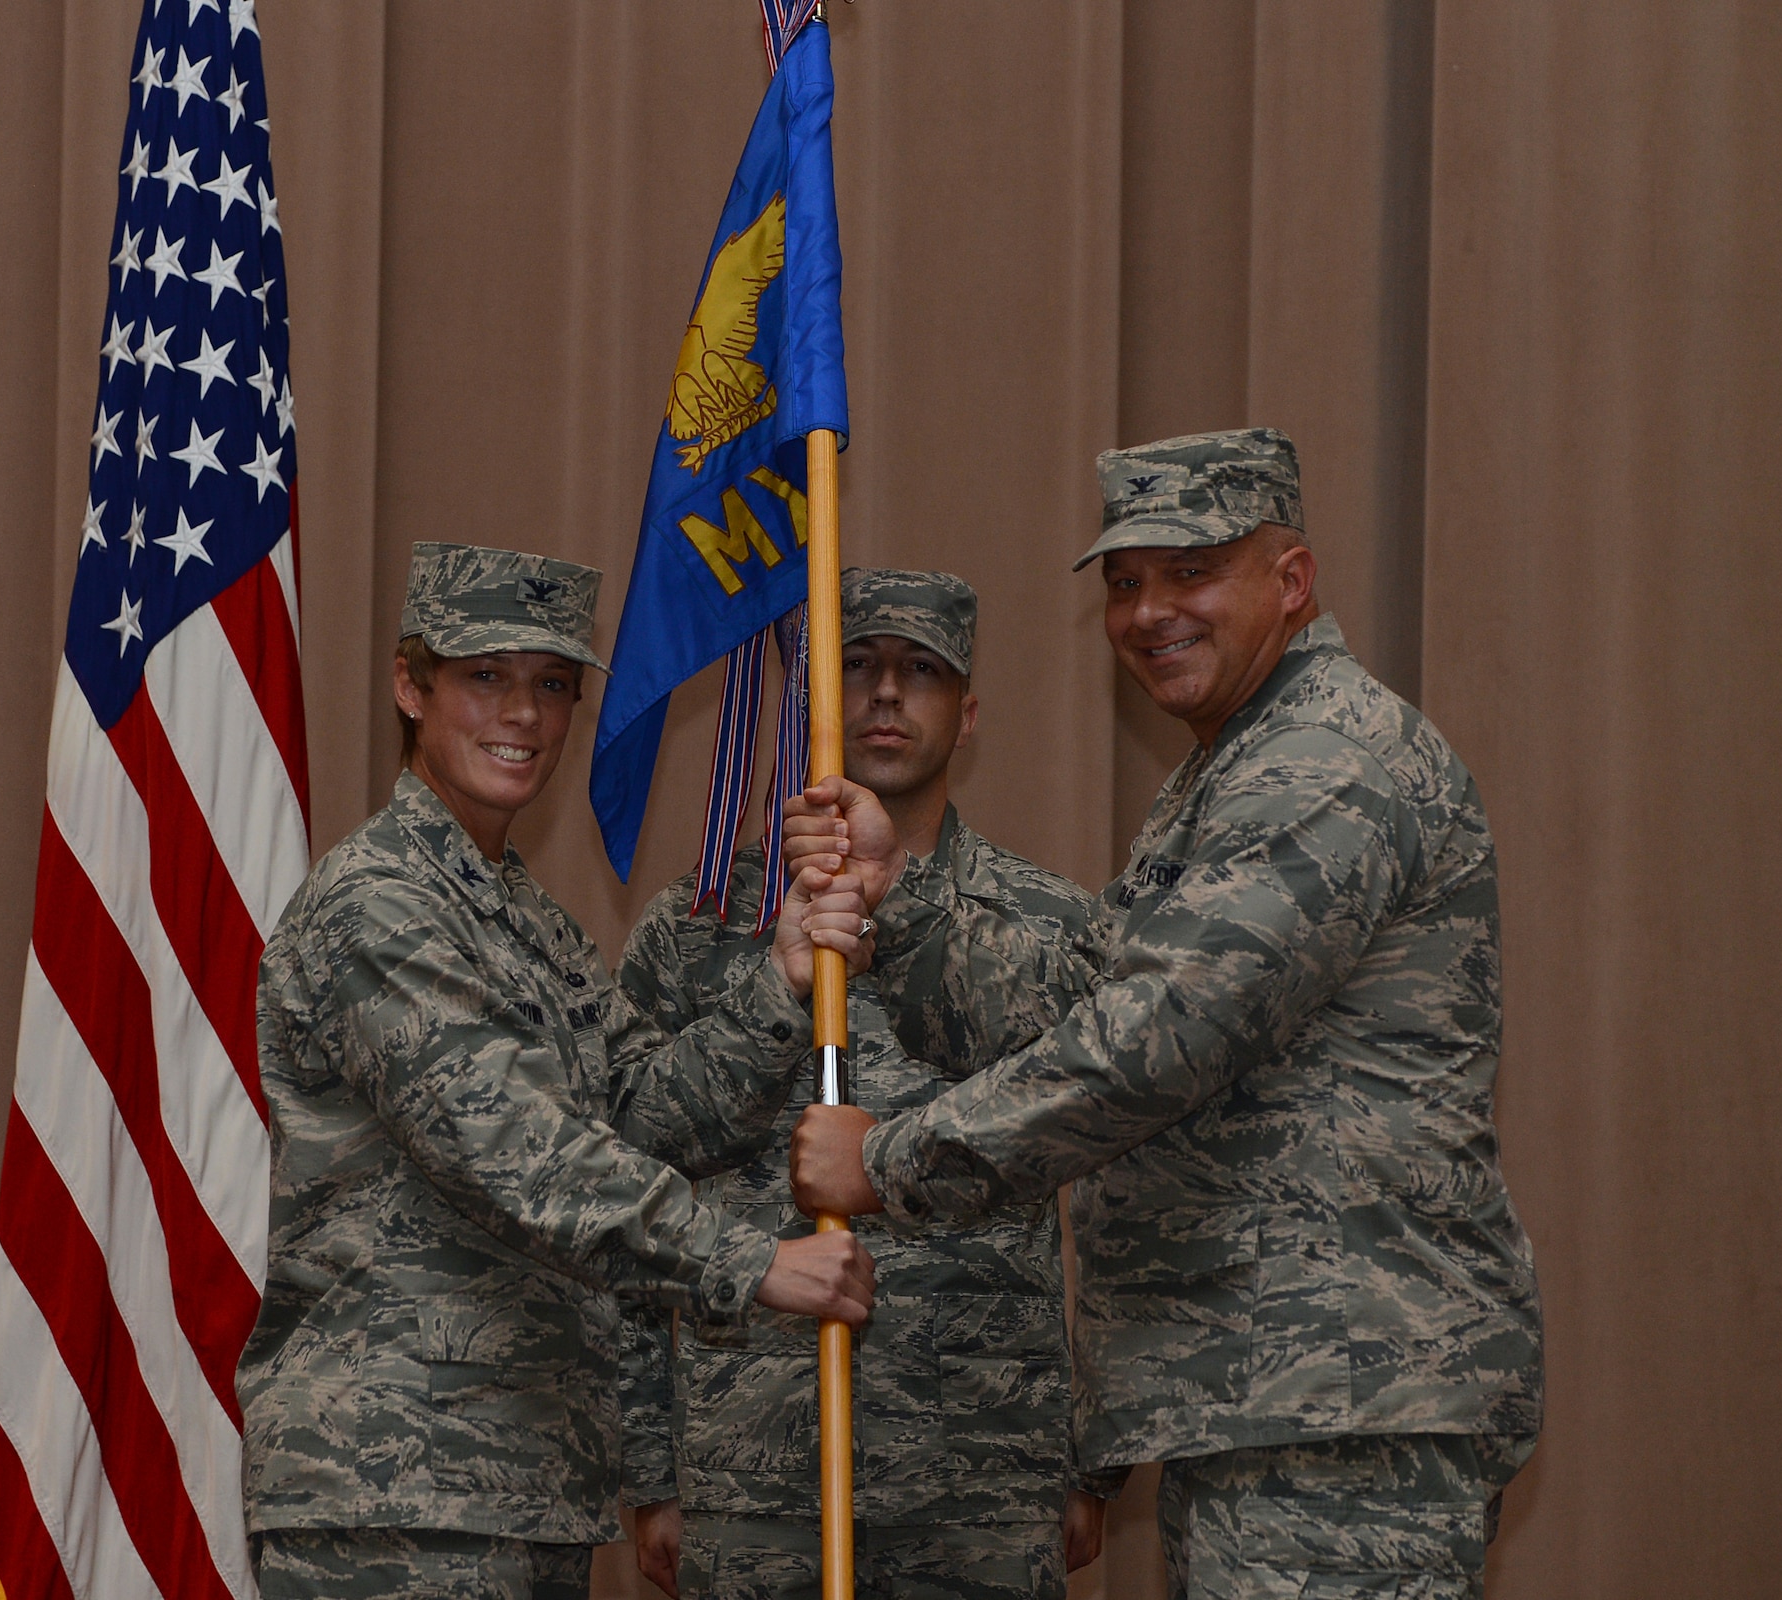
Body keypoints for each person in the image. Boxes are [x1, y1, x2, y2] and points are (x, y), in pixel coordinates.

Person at [785, 431, 1545, 1599]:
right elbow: (1089, 999)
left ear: (1288, 583)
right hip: (1265, 1395)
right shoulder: (1234, 765)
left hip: (1337, 1406)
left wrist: (882, 1160)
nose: (1147, 611)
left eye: (1189, 571)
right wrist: (911, 901)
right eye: (1124, 580)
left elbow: (1151, 1045)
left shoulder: (1323, 764)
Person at [239, 542, 880, 1600]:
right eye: (484, 675)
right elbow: (508, 1148)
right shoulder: (378, 904)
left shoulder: (526, 918)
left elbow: (639, 1113)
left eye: (551, 684)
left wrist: (776, 982)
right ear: (412, 685)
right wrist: (749, 1262)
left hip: (521, 1477)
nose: (524, 715)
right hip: (395, 1482)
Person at [616, 569, 1115, 1600]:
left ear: (967, 711)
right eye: (858, 664)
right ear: (809, 698)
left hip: (981, 1471)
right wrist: (648, 1467)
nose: (886, 694)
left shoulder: (1052, 925)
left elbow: (1112, 1183)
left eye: (921, 670)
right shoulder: (699, 922)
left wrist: (1089, 1451)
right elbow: (627, 1179)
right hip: (754, 1464)